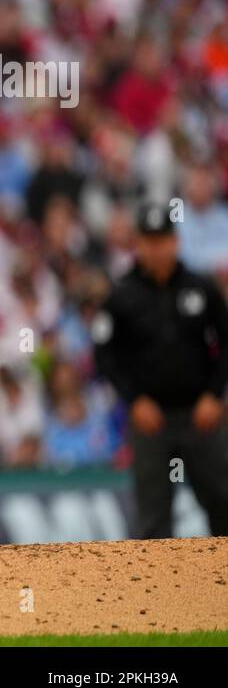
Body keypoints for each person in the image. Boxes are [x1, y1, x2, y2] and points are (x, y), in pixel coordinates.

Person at [92, 203, 228, 538]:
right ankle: (156, 590)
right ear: (139, 244)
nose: (157, 249)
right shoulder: (122, 296)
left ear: (175, 242)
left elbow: (226, 342)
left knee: (224, 500)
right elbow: (105, 354)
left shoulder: (201, 288)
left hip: (200, 415)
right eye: (150, 241)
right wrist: (134, 400)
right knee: (153, 514)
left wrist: (214, 394)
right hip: (150, 420)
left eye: (163, 240)